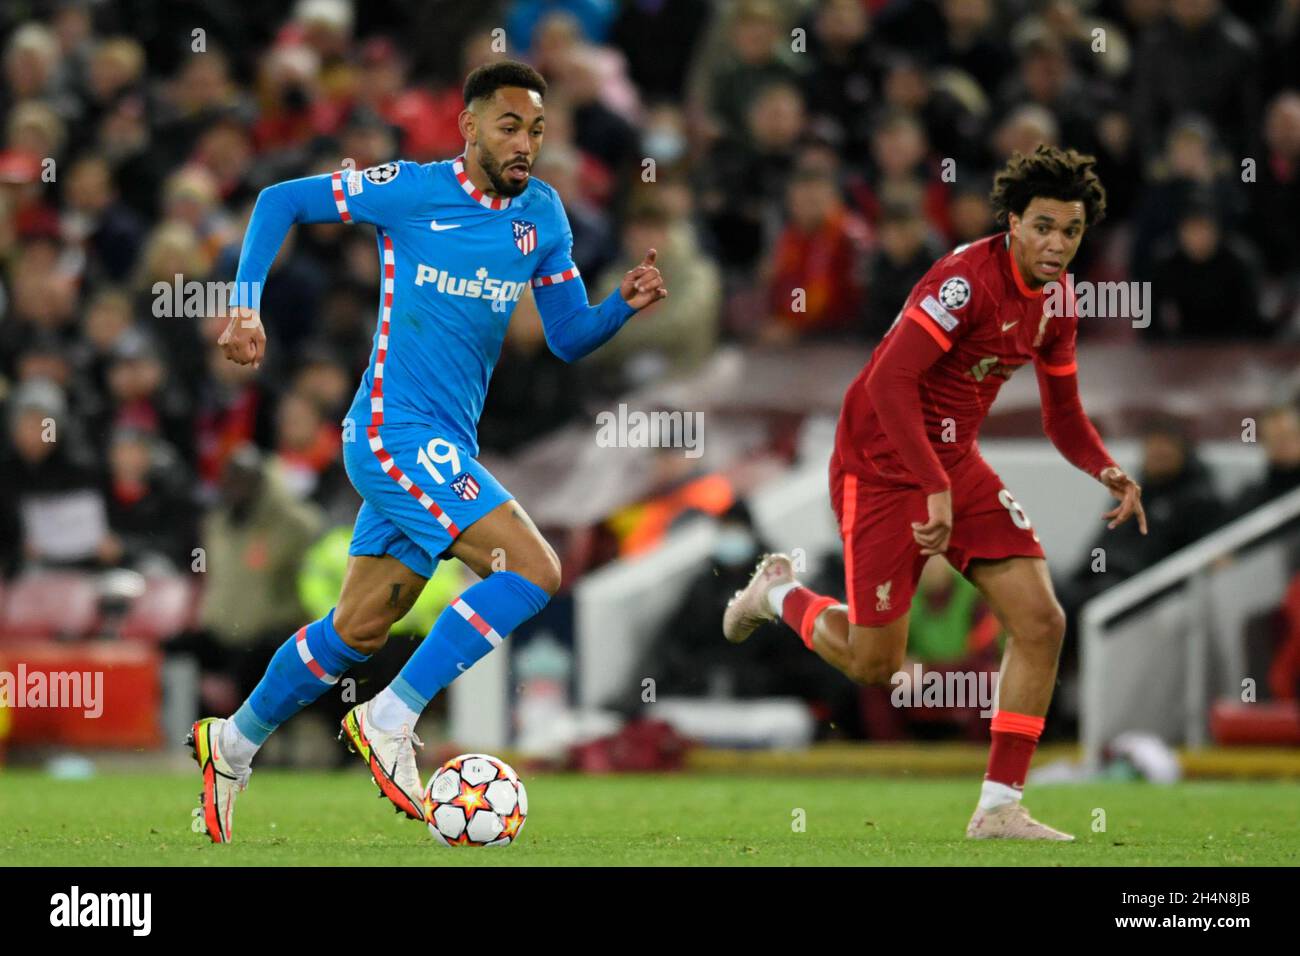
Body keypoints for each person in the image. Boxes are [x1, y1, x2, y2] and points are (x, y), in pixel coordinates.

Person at [189, 60, 668, 843]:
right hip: (391, 431)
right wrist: (245, 308)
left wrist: (620, 306)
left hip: (444, 442)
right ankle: (390, 715)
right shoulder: (410, 190)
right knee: (535, 569)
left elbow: (568, 335)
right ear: (469, 127)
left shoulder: (543, 216)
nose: (527, 144)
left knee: (359, 629)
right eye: (510, 126)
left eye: (539, 130)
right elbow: (281, 201)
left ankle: (231, 742)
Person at [723, 145, 1148, 840]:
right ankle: (775, 594)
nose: (1057, 243)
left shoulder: (1062, 300)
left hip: (953, 463)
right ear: (1012, 222)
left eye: (1071, 232)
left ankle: (999, 807)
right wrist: (932, 488)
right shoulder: (964, 281)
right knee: (874, 664)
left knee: (1043, 622)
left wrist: (1104, 467)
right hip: (881, 464)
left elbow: (1063, 415)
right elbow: (891, 382)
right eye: (1043, 225)